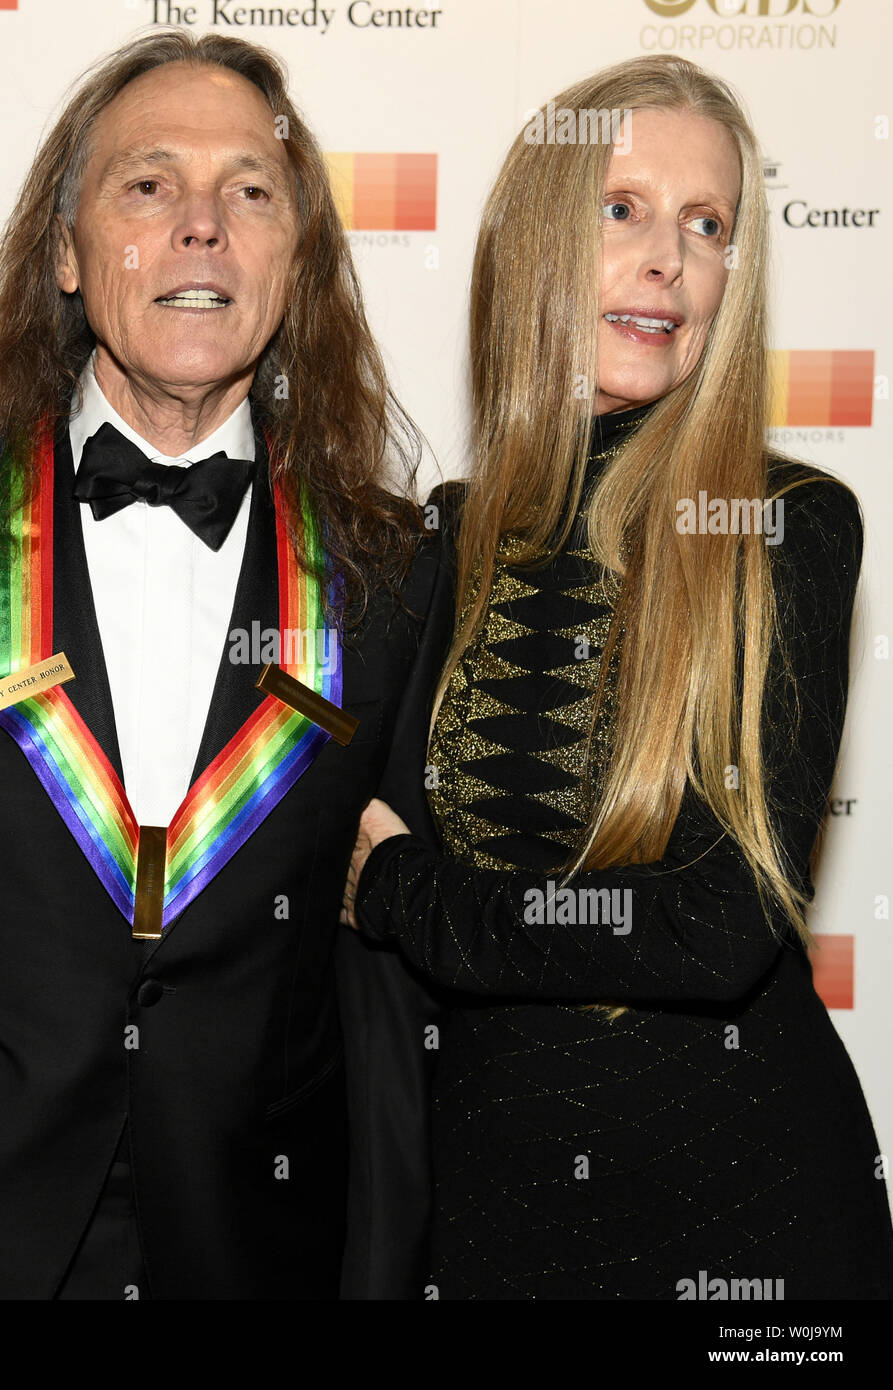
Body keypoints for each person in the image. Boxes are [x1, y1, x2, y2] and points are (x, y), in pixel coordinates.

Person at [0, 31, 452, 1300]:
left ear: (296, 262)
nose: (203, 227)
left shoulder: (396, 569)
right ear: (64, 251)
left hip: (265, 1248)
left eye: (251, 192)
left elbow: (401, 965)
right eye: (148, 184)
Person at [344, 55, 893, 1299]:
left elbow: (713, 932)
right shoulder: (446, 535)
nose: (671, 259)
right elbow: (271, 795)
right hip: (488, 1210)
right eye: (625, 208)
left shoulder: (784, 527)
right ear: (539, 238)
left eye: (708, 227)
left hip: (741, 1211)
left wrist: (405, 897)